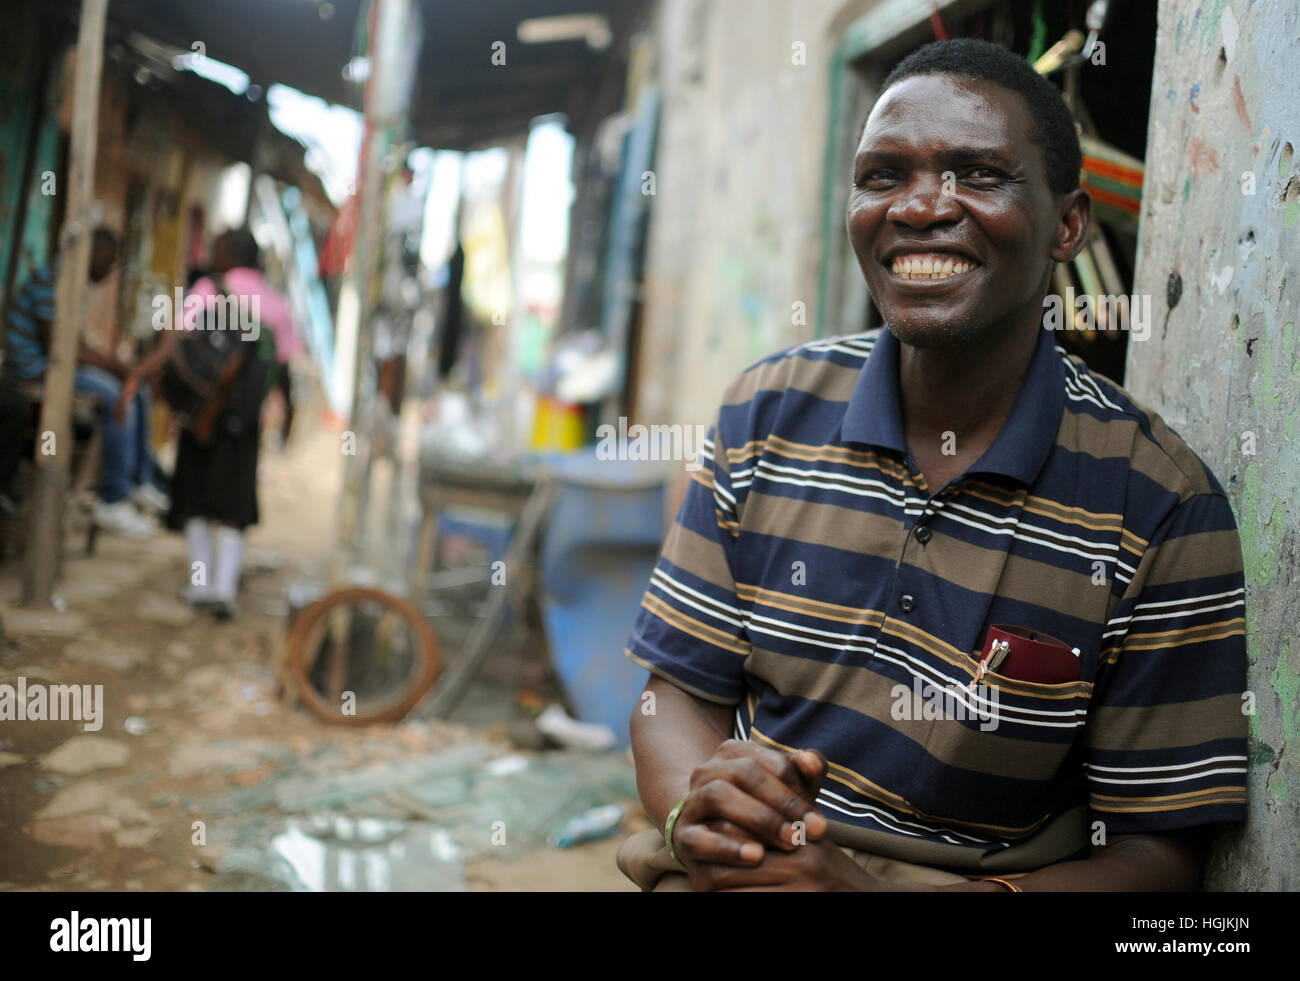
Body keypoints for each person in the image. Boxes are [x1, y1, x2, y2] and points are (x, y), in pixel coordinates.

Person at [619, 39, 1247, 892]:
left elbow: (1155, 857)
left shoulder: (1161, 502)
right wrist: (701, 817)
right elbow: (675, 696)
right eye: (883, 176)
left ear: (1068, 224)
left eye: (978, 174)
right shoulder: (766, 413)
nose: (920, 207)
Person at [123, 229, 285, 619]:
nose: (213, 254)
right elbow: (284, 365)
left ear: (230, 254)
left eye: (218, 248)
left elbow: (176, 343)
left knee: (195, 500)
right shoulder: (278, 304)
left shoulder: (210, 290)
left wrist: (139, 377)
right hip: (244, 421)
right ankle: (225, 590)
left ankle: (200, 585)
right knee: (233, 505)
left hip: (201, 415)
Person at [2, 228, 164, 539]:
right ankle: (113, 497)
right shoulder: (54, 281)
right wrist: (117, 367)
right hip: (35, 371)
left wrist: (120, 368)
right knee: (117, 393)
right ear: (95, 253)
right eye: (110, 261)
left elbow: (75, 344)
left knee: (135, 389)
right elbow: (61, 346)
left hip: (54, 365)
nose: (111, 269)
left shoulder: (71, 282)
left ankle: (139, 481)